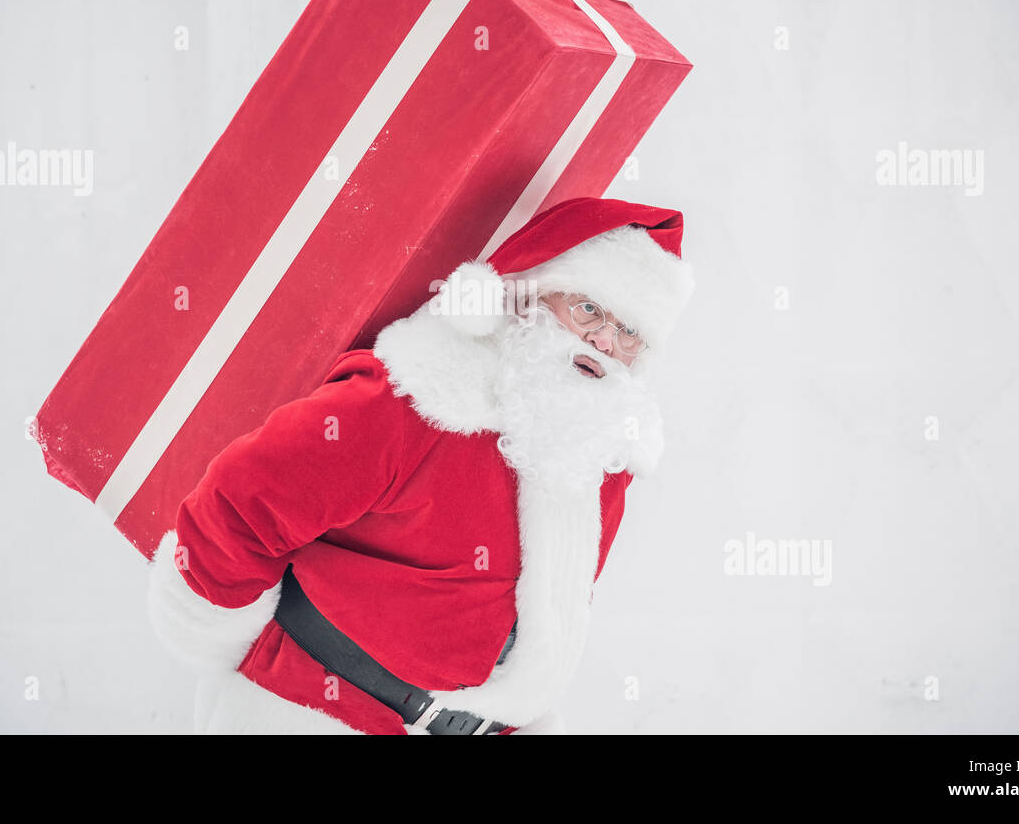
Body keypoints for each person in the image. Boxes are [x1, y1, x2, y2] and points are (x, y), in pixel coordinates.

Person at [146, 196, 694, 733]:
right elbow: (239, 504)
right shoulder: (418, 394)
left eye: (629, 332)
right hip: (313, 710)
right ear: (532, 295)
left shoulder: (599, 455)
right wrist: (221, 633)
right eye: (590, 310)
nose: (604, 340)